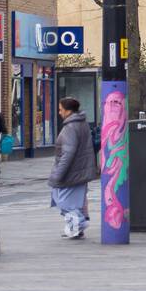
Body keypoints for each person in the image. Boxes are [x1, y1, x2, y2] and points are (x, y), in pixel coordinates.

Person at [49, 97, 99, 239]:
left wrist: (58, 174)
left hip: (72, 171)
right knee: (75, 201)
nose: (59, 112)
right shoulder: (80, 124)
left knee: (63, 200)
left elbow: (68, 154)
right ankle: (75, 226)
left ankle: (78, 224)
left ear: (68, 110)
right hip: (80, 170)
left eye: (60, 109)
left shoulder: (70, 127)